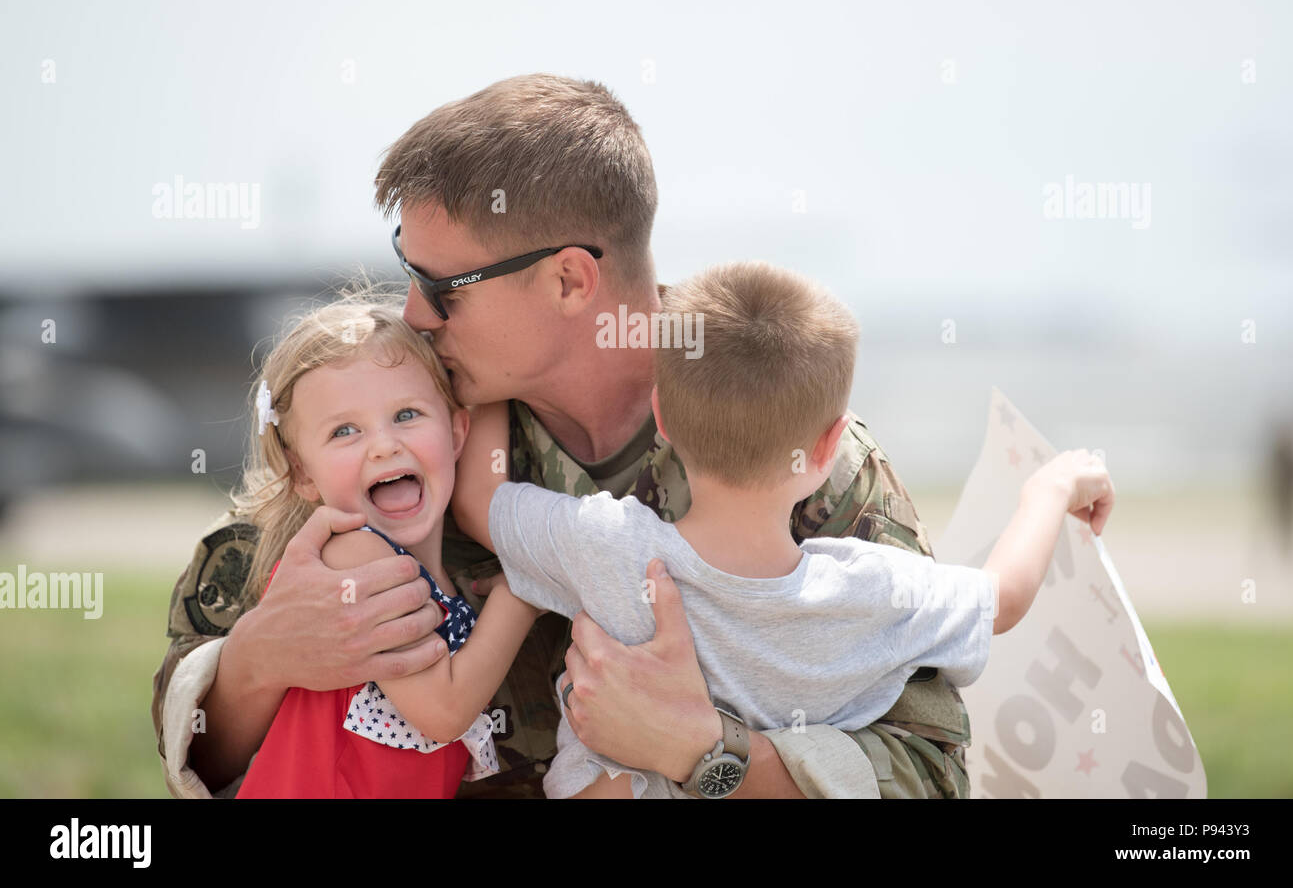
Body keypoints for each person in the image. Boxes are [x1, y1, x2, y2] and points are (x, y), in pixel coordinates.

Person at [152, 74, 974, 799]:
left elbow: (933, 775)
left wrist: (707, 757)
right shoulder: (398, 418)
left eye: (443, 288)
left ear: (570, 280)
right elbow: (200, 743)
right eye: (406, 270)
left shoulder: (782, 448)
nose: (412, 315)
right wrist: (257, 663)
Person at [449, 261, 1117, 798]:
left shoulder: (605, 545)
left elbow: (482, 500)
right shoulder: (869, 591)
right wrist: (1048, 490)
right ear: (829, 448)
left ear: (662, 415)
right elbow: (1003, 598)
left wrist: (488, 373)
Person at [222, 291, 540, 797]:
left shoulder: (420, 572)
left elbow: (486, 427)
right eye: (345, 430)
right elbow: (443, 712)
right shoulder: (355, 558)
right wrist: (520, 595)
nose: (385, 444)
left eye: (408, 415)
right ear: (302, 472)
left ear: (459, 432)